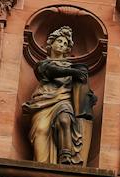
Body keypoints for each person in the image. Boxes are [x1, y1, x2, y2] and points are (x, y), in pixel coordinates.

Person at [24, 25, 96, 165]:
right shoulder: (42, 64)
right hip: (43, 103)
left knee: (64, 120)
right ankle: (41, 166)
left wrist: (89, 98)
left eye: (65, 44)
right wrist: (72, 72)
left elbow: (80, 89)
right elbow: (51, 70)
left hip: (63, 101)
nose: (62, 45)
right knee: (40, 131)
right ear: (51, 43)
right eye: (59, 41)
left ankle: (66, 156)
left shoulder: (71, 68)